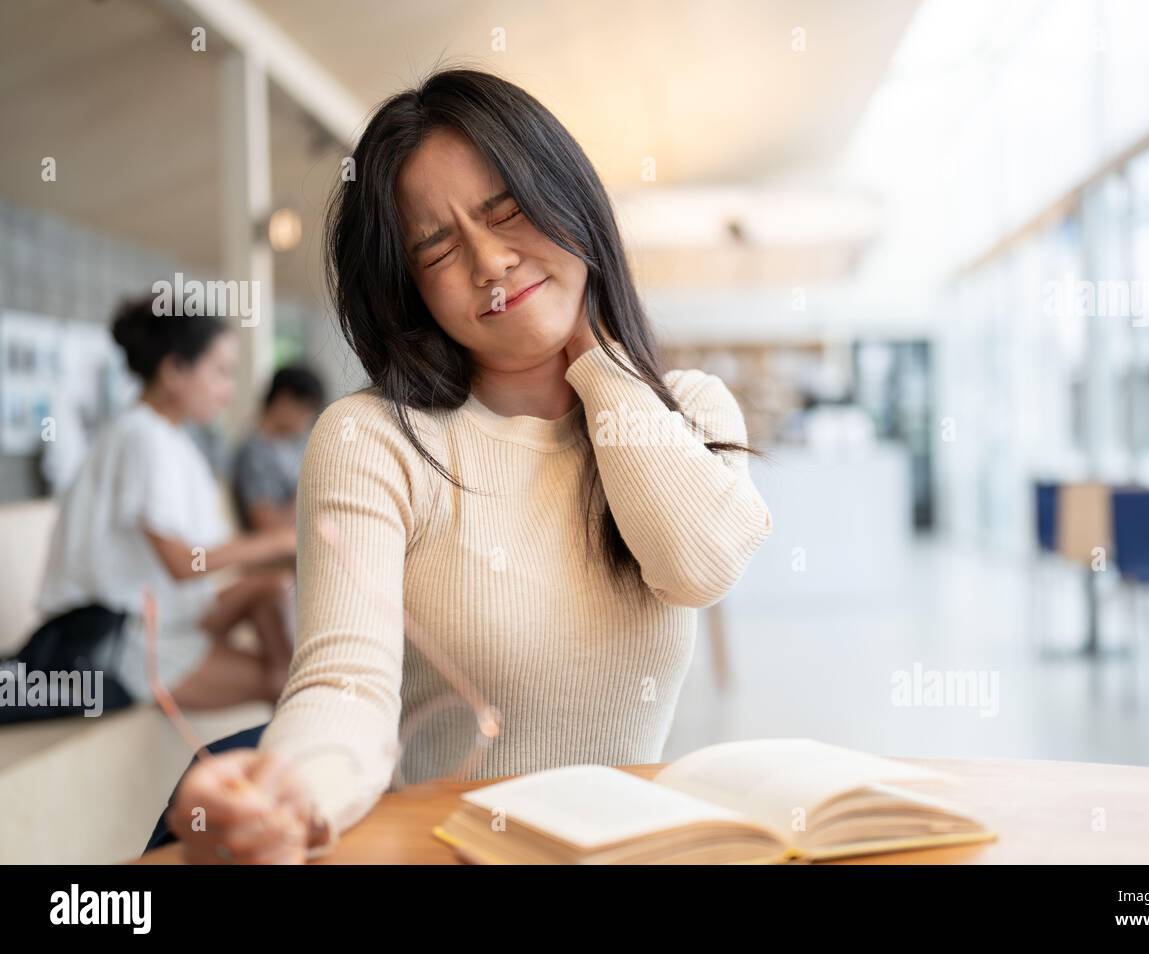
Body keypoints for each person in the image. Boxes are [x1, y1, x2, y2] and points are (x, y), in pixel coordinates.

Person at [162, 68, 774, 864]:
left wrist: (595, 356)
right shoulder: (373, 439)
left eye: (509, 212)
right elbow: (345, 684)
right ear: (409, 292)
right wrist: (294, 791)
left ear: (572, 199)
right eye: (437, 246)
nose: (489, 262)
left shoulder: (689, 411)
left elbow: (698, 567)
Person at [34, 295, 298, 712]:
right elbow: (184, 564)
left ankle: (290, 685)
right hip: (111, 640)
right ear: (175, 370)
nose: (229, 392)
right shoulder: (141, 437)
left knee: (271, 591)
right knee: (289, 681)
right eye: (221, 373)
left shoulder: (172, 440)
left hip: (162, 619)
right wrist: (281, 542)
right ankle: (289, 691)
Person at [231, 365, 325, 531]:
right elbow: (268, 526)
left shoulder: (297, 442)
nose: (309, 419)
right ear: (283, 401)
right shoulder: (254, 452)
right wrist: (313, 484)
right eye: (306, 409)